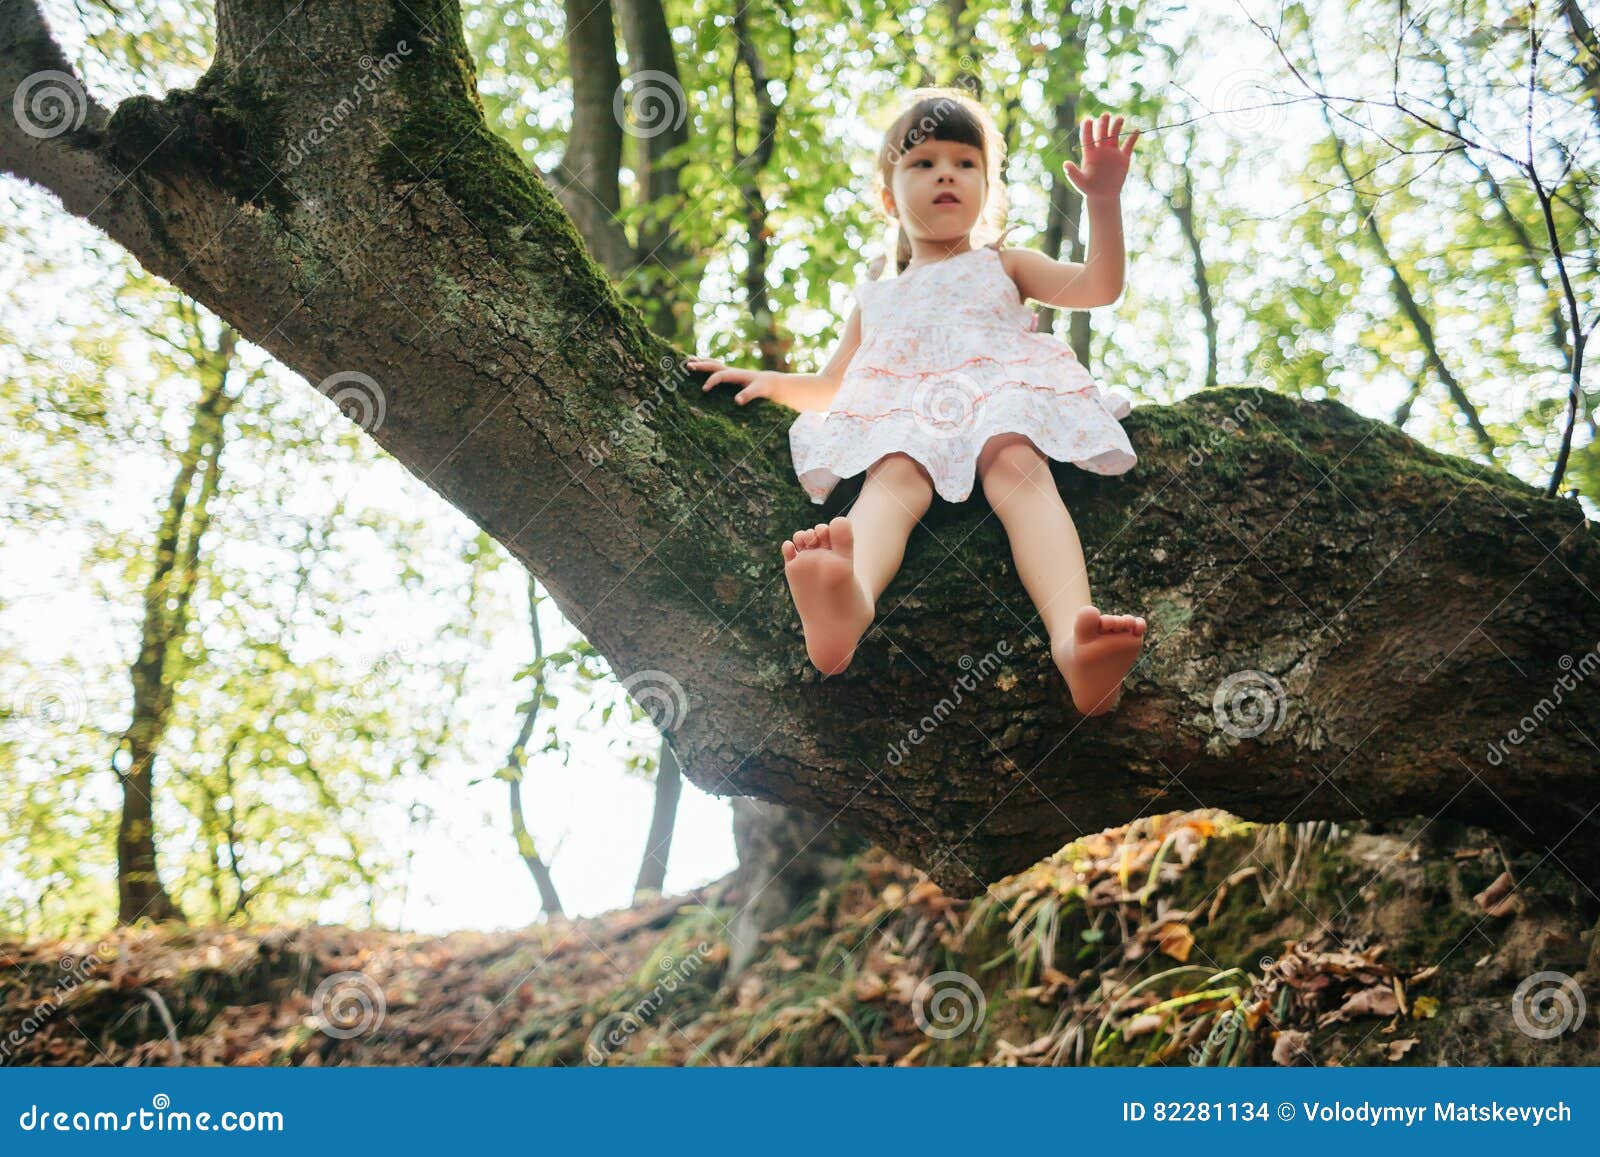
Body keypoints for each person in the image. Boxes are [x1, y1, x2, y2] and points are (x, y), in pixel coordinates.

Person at [688, 87, 1146, 716]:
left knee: (1016, 463)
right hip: (908, 415)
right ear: (888, 194)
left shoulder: (1005, 265)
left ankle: (1075, 641)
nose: (946, 175)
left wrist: (1102, 201)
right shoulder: (876, 298)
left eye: (965, 162)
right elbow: (833, 387)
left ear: (988, 188)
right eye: (923, 163)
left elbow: (1099, 285)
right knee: (894, 477)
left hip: (998, 401)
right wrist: (762, 379)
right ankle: (847, 605)